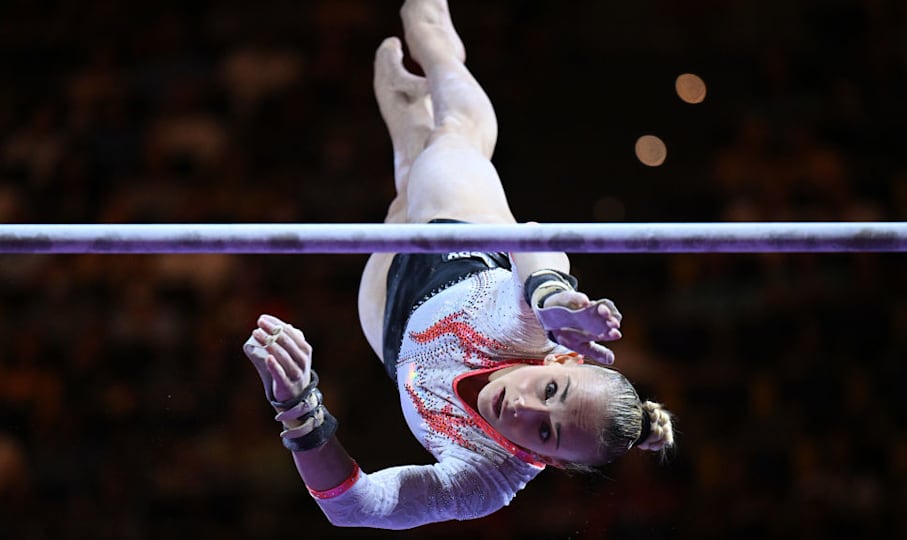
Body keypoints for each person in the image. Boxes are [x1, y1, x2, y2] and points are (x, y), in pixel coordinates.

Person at [243, 0, 674, 529]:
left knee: (408, 194)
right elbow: (533, 239)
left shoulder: (485, 480)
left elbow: (353, 509)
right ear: (562, 366)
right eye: (550, 391)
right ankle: (437, 46)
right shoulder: (541, 337)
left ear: (554, 462)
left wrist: (299, 410)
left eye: (546, 433)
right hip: (462, 238)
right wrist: (553, 298)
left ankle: (411, 135)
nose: (524, 408)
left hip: (390, 317)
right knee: (456, 135)